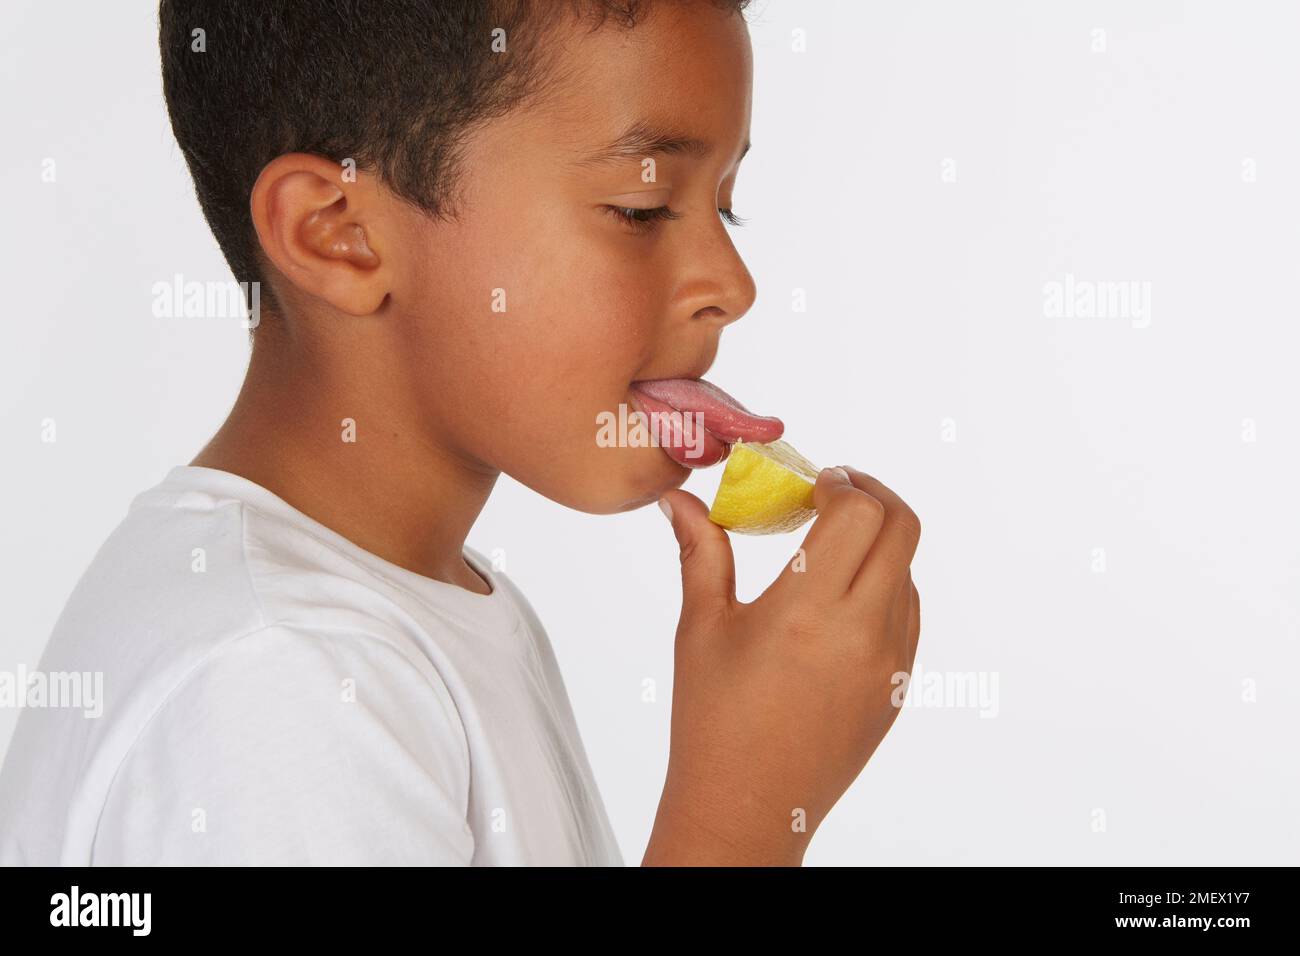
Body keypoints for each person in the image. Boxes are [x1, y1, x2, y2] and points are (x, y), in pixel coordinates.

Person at [0, 0, 920, 866]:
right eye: (641, 210)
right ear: (338, 235)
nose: (733, 281)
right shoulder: (280, 682)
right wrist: (742, 817)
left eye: (723, 205)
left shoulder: (423, 616)